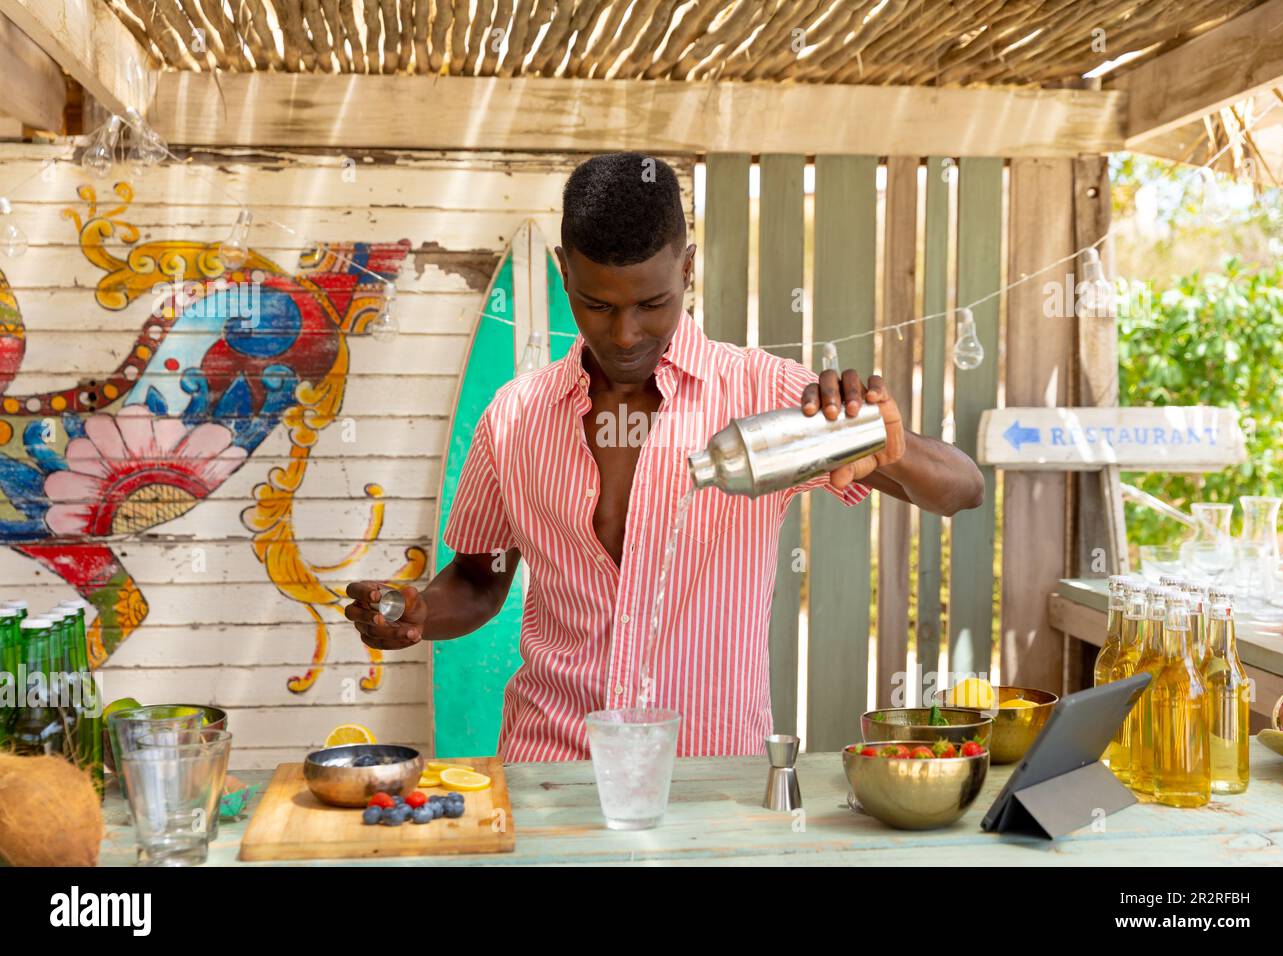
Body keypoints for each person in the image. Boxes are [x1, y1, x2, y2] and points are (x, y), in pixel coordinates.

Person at [346, 152, 984, 761]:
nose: (625, 336)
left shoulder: (765, 397)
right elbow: (481, 580)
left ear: (687, 269)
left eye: (652, 305)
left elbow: (962, 489)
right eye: (597, 305)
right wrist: (423, 614)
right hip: (551, 767)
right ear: (565, 272)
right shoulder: (514, 416)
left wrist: (885, 441)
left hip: (709, 775)